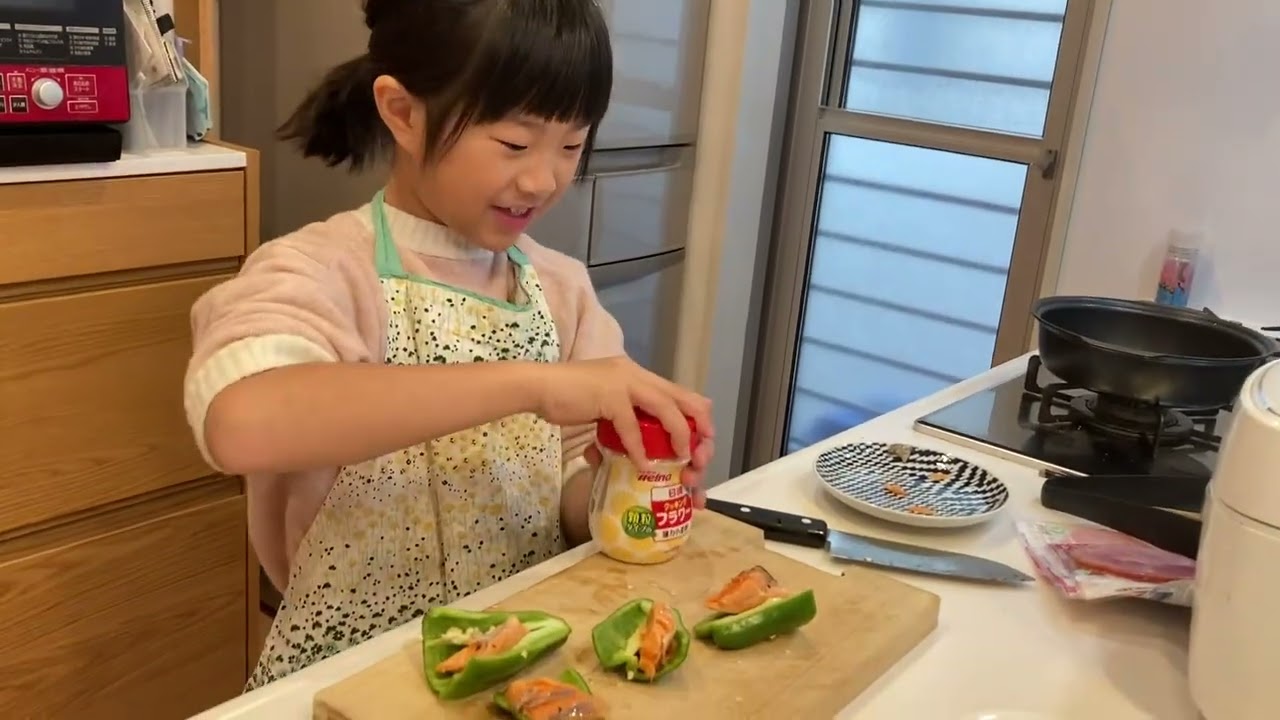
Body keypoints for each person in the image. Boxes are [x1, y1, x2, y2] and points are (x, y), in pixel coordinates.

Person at [182, 0, 715, 691]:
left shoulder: (561, 289)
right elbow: (243, 423)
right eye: (515, 145)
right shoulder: (320, 271)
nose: (544, 179)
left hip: (520, 658)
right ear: (403, 112)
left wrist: (630, 493)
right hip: (348, 677)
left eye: (572, 145)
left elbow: (565, 490)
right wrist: (535, 384)